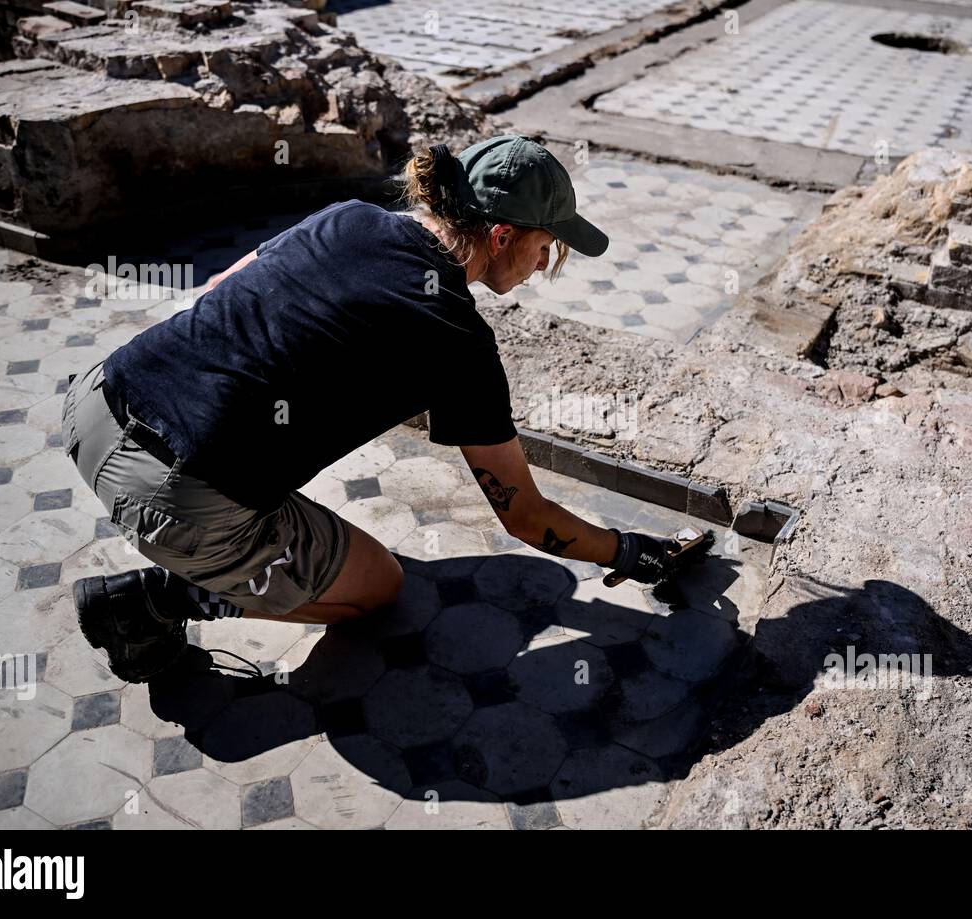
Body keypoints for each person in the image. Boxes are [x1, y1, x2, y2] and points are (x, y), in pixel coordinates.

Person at [61, 134, 684, 683]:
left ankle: (217, 543)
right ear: (502, 236)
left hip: (97, 400)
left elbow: (218, 291)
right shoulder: (457, 339)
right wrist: (628, 553)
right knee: (381, 589)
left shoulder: (349, 217)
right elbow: (525, 518)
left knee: (269, 496)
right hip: (176, 495)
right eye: (544, 246)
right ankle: (158, 601)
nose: (544, 264)